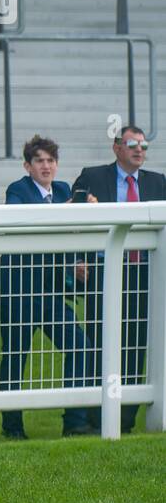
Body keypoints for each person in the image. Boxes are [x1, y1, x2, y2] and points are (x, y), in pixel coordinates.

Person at [0, 135, 96, 438]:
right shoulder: (18, 189)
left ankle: (74, 423)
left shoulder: (64, 190)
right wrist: (66, 209)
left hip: (50, 291)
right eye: (39, 161)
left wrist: (90, 209)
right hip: (17, 289)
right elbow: (21, 222)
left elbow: (70, 234)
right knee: (16, 355)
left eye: (51, 161)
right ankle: (13, 428)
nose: (46, 166)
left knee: (79, 346)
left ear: (57, 165)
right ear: (28, 165)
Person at [72, 124, 165, 433]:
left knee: (136, 343)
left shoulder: (158, 182)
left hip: (143, 274)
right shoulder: (93, 176)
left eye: (143, 146)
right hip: (103, 272)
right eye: (132, 144)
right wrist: (78, 258)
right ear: (116, 148)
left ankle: (126, 420)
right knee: (99, 342)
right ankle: (93, 416)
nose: (139, 150)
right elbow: (72, 219)